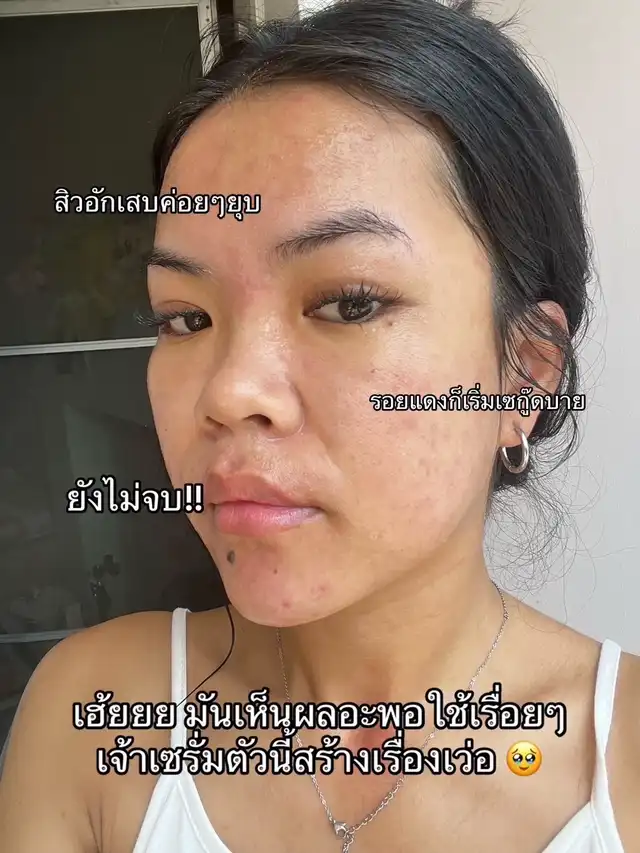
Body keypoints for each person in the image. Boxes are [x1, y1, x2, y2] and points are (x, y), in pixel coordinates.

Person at [1, 0, 638, 850]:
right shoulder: (94, 720)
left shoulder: (622, 763)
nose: (229, 391)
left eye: (349, 302)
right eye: (185, 317)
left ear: (522, 372)